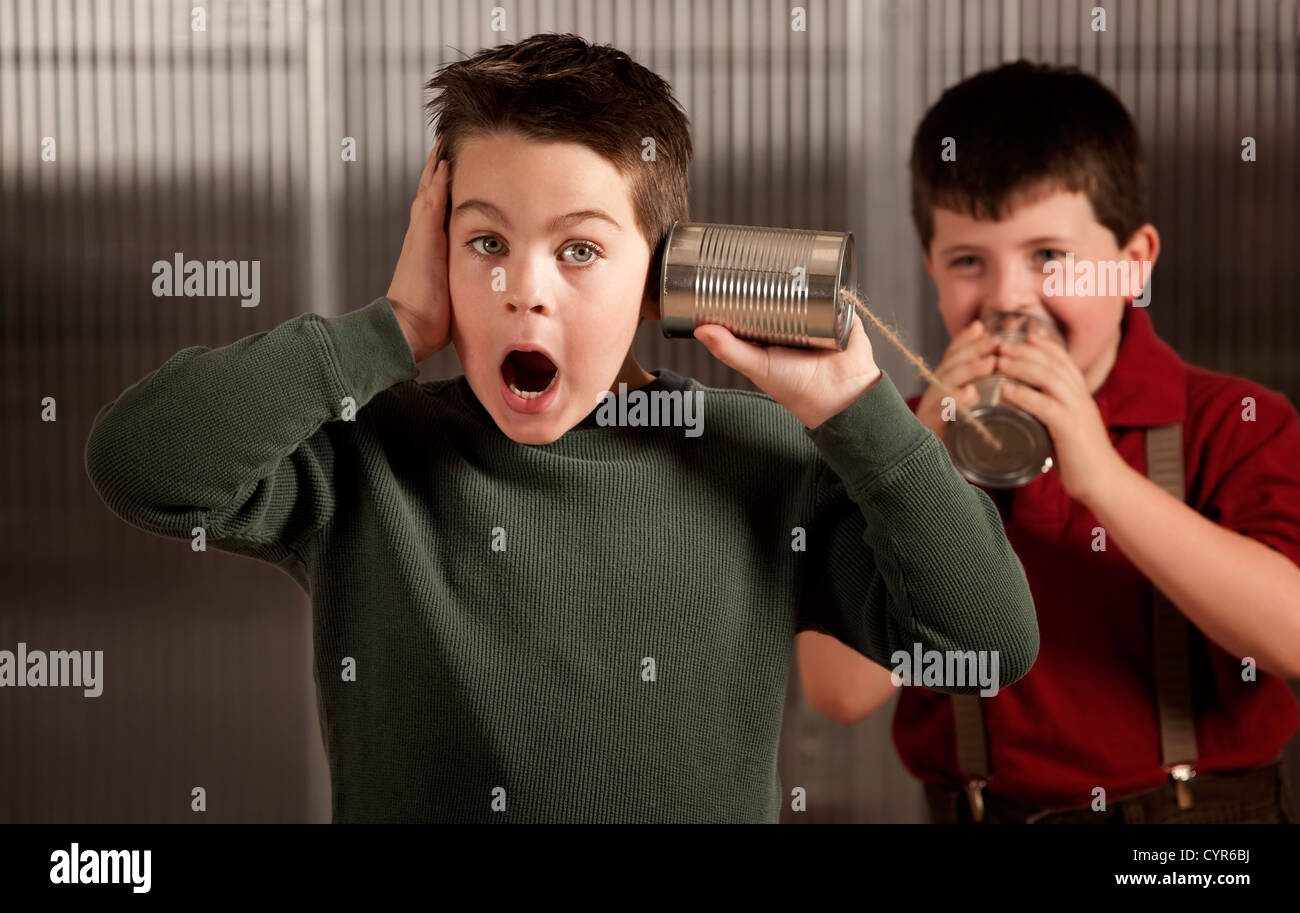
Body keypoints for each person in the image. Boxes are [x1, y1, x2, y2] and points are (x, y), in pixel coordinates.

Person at [85, 34, 1037, 823]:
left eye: (579, 249)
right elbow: (142, 462)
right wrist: (391, 330)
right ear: (436, 253)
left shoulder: (763, 459)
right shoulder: (367, 455)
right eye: (485, 242)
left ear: (658, 277)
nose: (524, 290)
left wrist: (855, 410)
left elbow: (988, 644)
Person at [798, 60, 1300, 824]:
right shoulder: (894, 437)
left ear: (1133, 265)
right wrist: (914, 457)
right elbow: (837, 691)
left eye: (1050, 258)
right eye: (970, 261)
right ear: (933, 272)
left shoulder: (1233, 419)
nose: (1007, 298)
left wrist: (1101, 477)